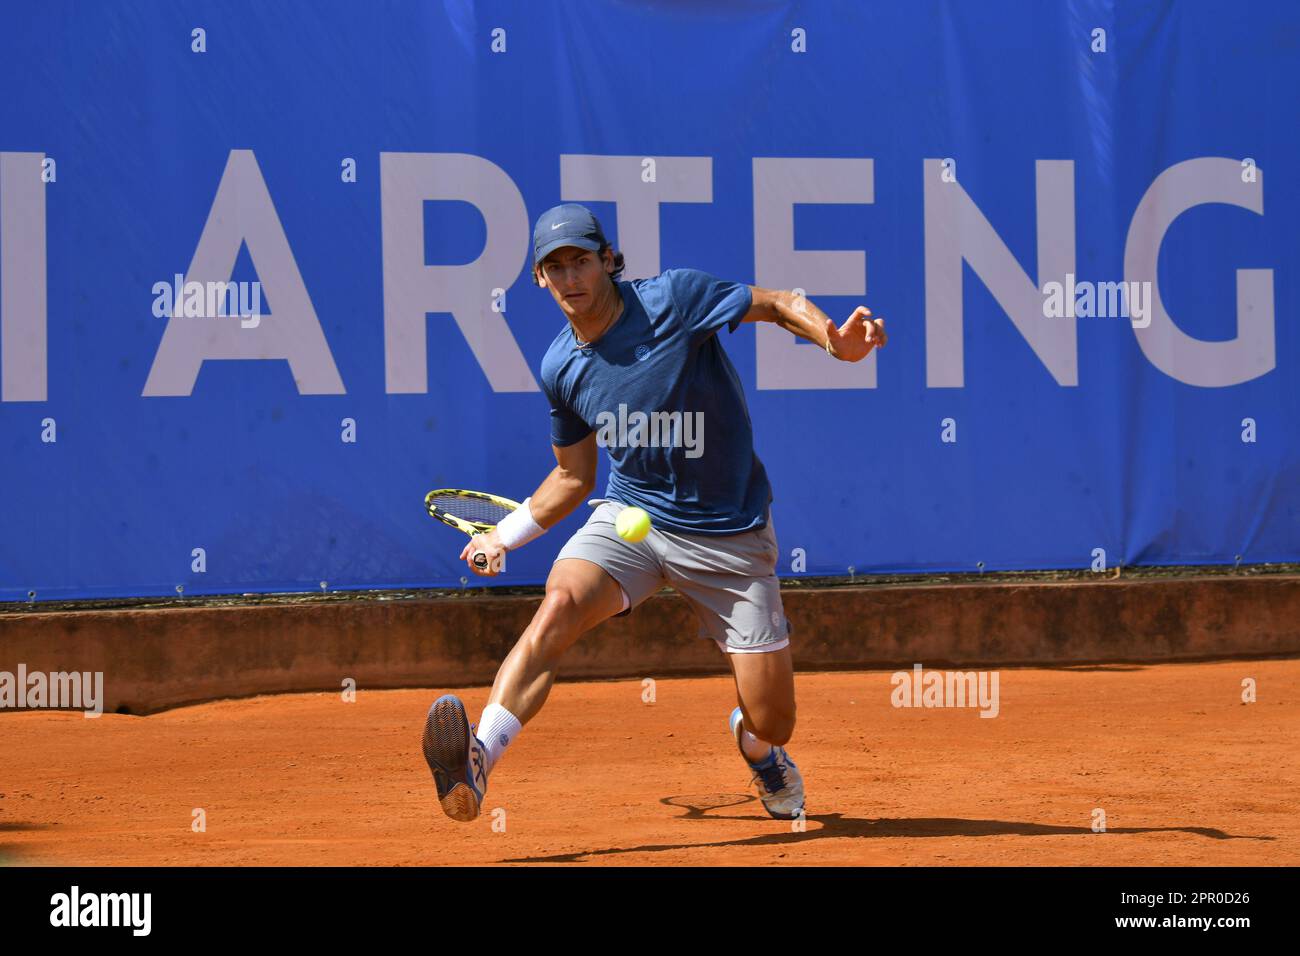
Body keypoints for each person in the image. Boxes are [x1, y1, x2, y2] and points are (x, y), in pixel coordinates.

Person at [422, 202, 886, 823]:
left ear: (608, 261)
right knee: (556, 609)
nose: (570, 278)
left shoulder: (675, 299)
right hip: (632, 517)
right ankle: (479, 759)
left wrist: (835, 340)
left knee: (776, 718)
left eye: (581, 262)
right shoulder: (561, 367)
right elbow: (572, 477)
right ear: (538, 278)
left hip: (729, 535)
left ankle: (757, 748)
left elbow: (774, 302)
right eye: (554, 268)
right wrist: (505, 536)